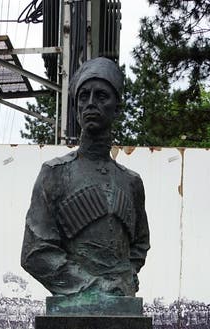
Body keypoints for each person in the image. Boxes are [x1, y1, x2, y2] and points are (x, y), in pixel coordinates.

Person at [21, 58, 149, 302]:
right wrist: (92, 286)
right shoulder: (54, 173)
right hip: (76, 300)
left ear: (117, 108)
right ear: (76, 107)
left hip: (122, 301)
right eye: (83, 97)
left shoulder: (131, 183)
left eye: (101, 96)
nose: (91, 103)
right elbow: (35, 252)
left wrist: (126, 277)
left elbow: (139, 244)